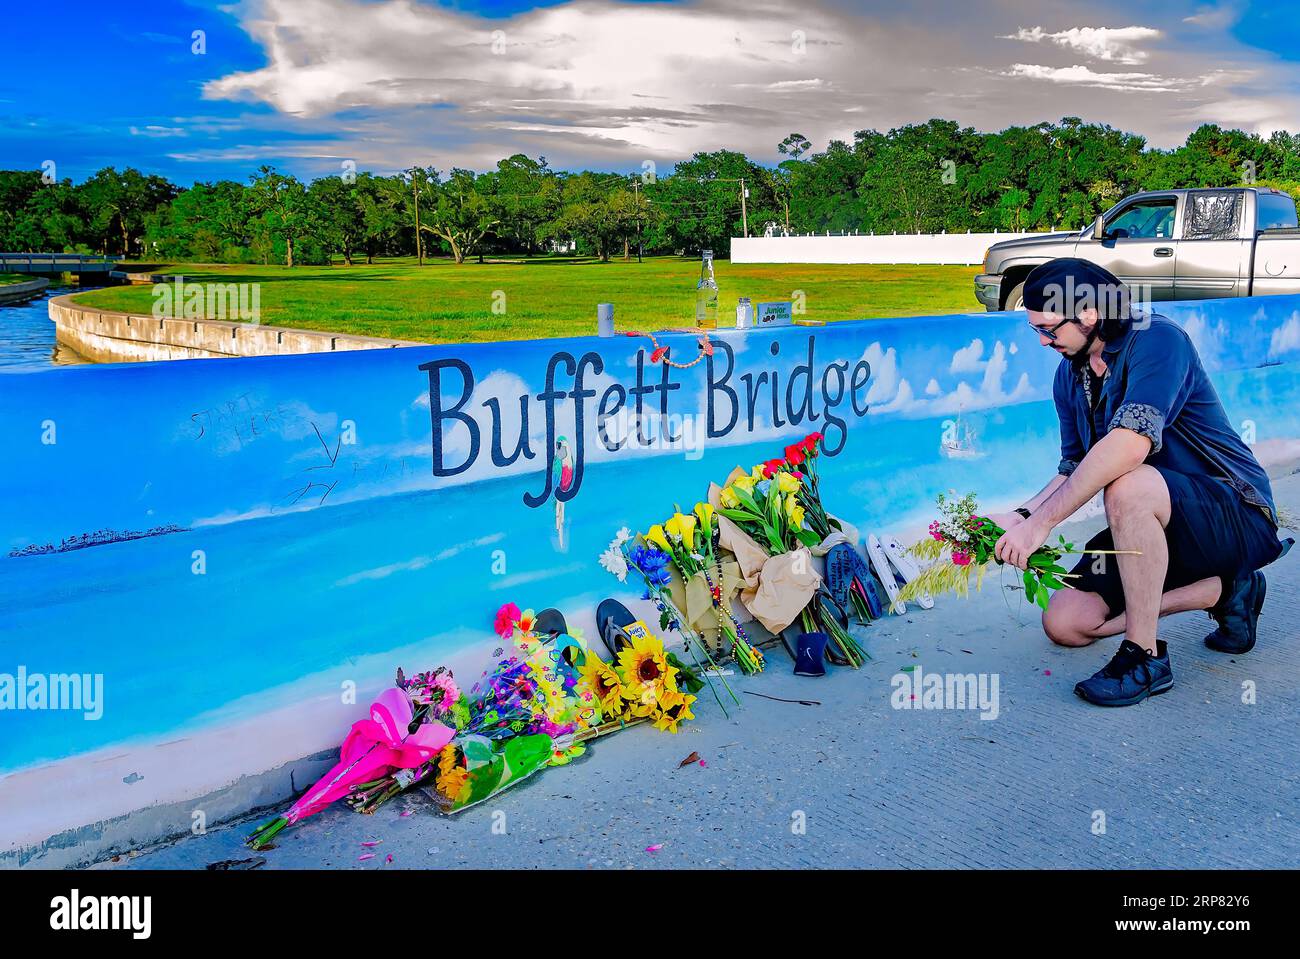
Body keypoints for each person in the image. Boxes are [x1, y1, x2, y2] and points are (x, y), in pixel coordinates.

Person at [985, 258, 1287, 706]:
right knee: (1066, 622)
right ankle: (1226, 591)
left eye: (1049, 329)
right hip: (1153, 524)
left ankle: (1144, 657)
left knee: (1127, 484)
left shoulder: (1158, 340)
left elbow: (1130, 446)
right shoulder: (1069, 376)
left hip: (1233, 513)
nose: (1045, 341)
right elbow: (1074, 465)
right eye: (1036, 331)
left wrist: (1042, 525)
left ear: (1088, 313)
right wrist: (1021, 515)